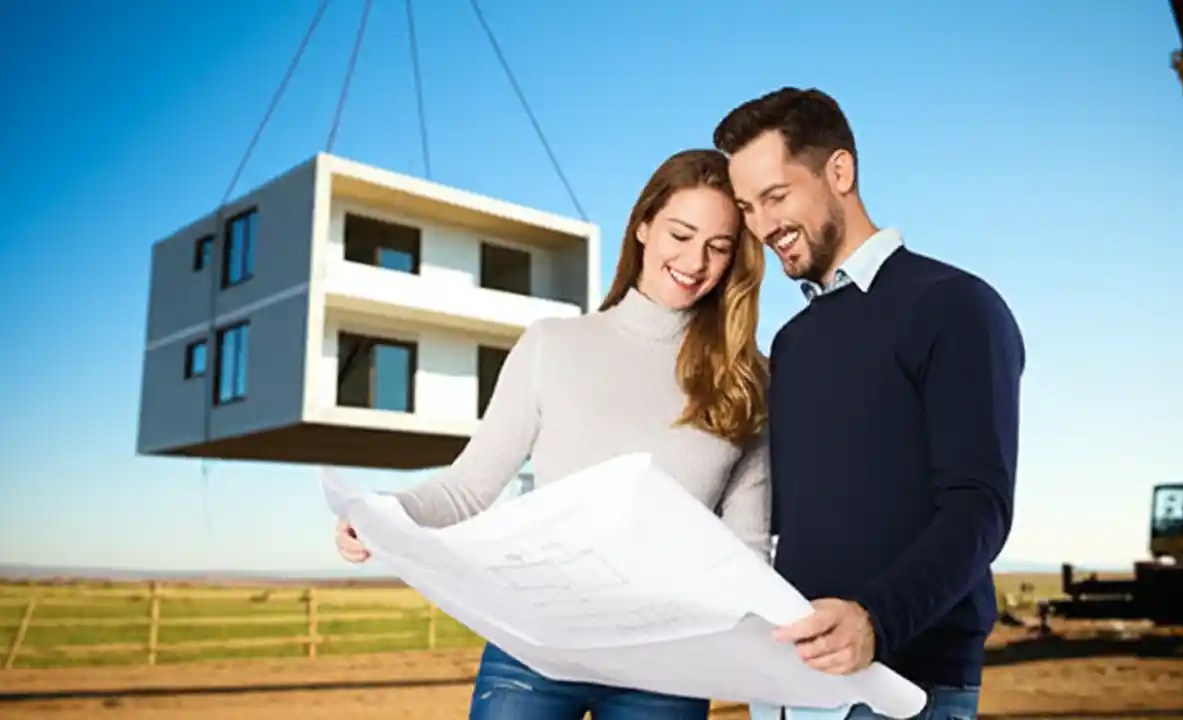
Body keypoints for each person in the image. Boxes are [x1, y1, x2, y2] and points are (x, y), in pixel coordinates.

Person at [334, 148, 772, 720]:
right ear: (642, 226)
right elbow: (468, 488)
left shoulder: (747, 381)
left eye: (718, 247)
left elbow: (745, 551)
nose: (696, 260)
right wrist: (386, 511)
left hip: (666, 667)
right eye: (680, 234)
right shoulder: (553, 346)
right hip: (533, 657)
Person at [712, 88, 1024, 720]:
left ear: (840, 171)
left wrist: (876, 622)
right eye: (748, 207)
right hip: (789, 686)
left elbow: (979, 507)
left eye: (776, 196)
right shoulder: (792, 342)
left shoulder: (954, 306)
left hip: (901, 688)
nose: (762, 225)